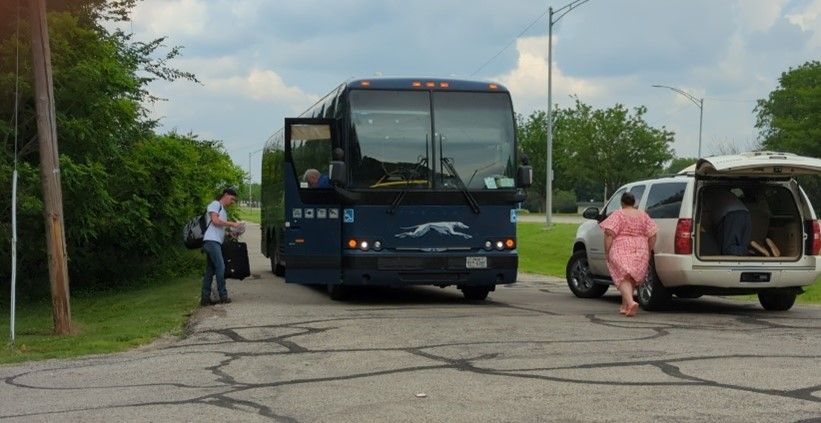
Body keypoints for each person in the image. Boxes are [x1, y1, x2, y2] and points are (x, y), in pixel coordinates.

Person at [600, 192, 658, 317]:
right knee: (630, 276)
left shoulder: (618, 214)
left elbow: (609, 234)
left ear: (622, 202)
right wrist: (648, 250)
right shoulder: (643, 215)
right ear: (634, 202)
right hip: (640, 248)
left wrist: (607, 251)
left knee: (621, 276)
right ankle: (625, 306)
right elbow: (653, 234)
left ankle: (631, 302)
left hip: (622, 247)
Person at [201, 188, 244, 306]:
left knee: (210, 270)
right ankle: (223, 296)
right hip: (211, 241)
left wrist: (232, 233)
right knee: (221, 266)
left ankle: (205, 298)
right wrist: (232, 223)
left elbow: (219, 228)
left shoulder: (223, 211)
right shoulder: (215, 204)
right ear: (225, 195)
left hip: (215, 241)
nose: (232, 202)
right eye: (232, 198)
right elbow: (215, 221)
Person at [703, 187, 751, 256]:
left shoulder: (705, 192)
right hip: (746, 213)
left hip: (730, 214)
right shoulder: (723, 193)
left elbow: (704, 218)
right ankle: (748, 256)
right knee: (742, 245)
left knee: (727, 249)